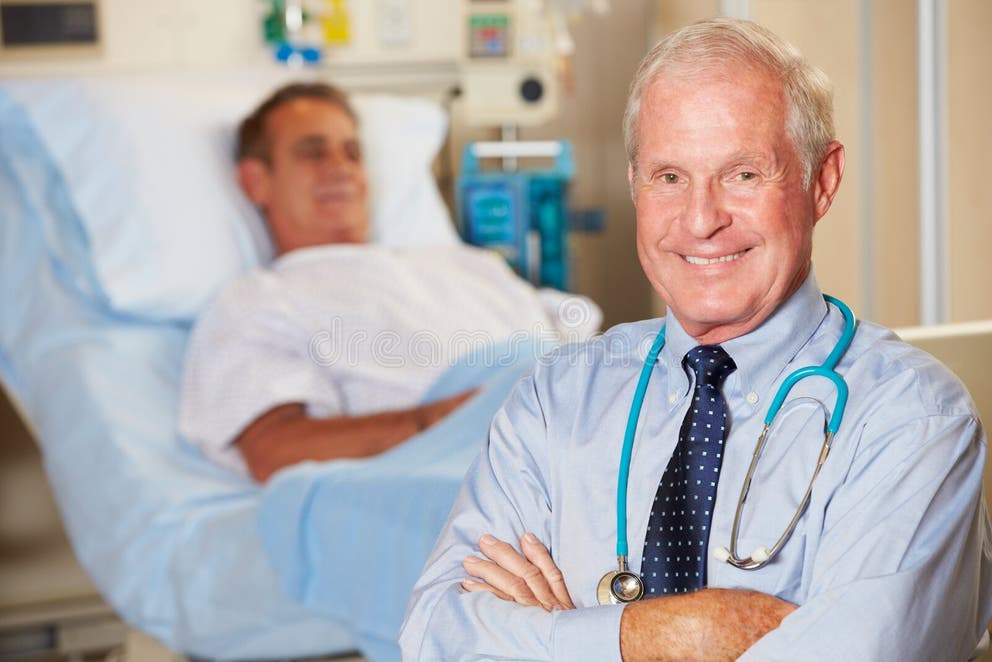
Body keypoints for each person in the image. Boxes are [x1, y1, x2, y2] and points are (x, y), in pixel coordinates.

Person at [399, 18, 992, 661]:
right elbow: (433, 636)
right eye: (669, 177)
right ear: (634, 183)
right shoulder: (555, 399)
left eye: (743, 174)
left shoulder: (912, 419)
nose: (702, 220)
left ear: (821, 181)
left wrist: (559, 636)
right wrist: (669, 634)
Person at [179, 82, 589, 482]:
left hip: (570, 417)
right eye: (313, 153)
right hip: (480, 455)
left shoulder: (469, 264)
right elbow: (275, 450)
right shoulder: (259, 299)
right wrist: (445, 420)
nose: (341, 167)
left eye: (352, 153)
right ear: (256, 181)